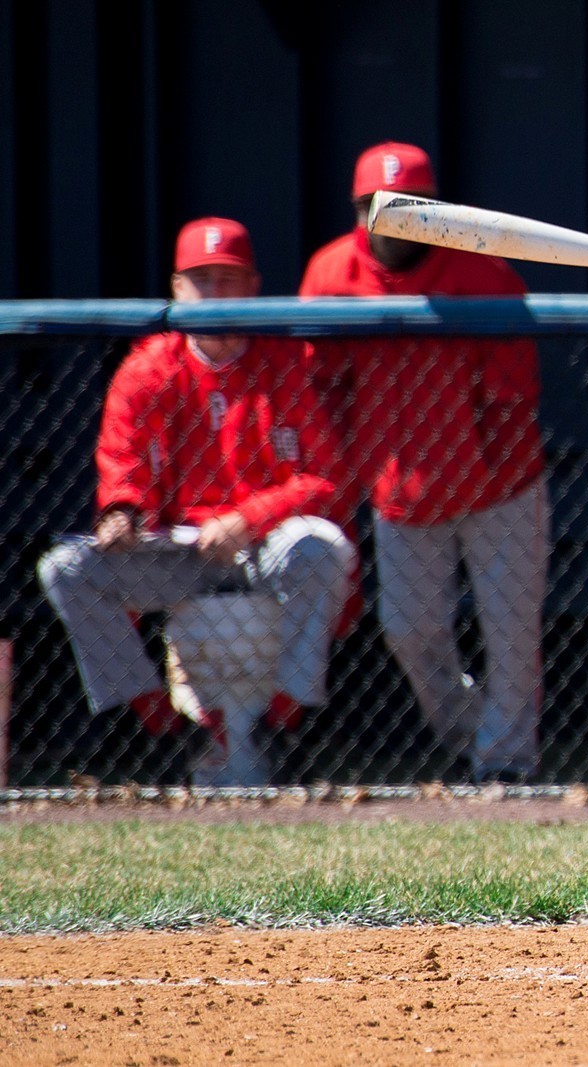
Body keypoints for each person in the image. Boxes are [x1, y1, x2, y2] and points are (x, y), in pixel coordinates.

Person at [37, 218, 354, 787]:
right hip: (176, 551)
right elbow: (123, 461)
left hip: (264, 544)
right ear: (177, 288)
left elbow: (326, 479)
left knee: (324, 550)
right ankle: (160, 730)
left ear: (253, 287)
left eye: (228, 279)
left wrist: (248, 519)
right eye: (202, 279)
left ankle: (287, 721)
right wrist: (122, 512)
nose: (215, 293)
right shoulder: (146, 369)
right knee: (65, 569)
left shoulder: (289, 362)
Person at [300, 142, 548, 785]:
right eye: (378, 205)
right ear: (358, 210)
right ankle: (474, 734)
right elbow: (322, 384)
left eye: (408, 205)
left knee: (512, 636)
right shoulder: (330, 274)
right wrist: (359, 467)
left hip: (501, 489)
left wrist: (484, 461)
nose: (394, 217)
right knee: (409, 631)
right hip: (402, 494)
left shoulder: (482, 270)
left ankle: (505, 766)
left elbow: (513, 393)